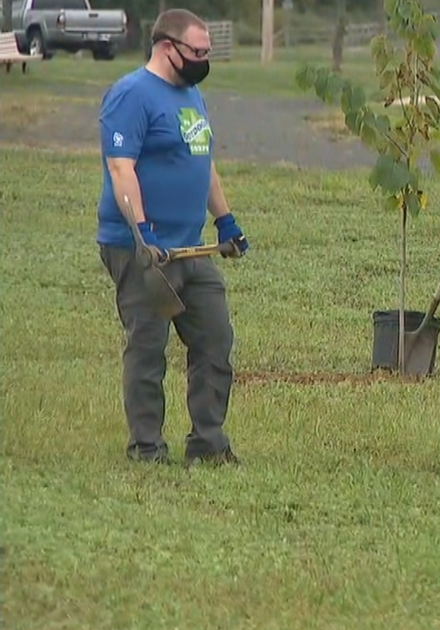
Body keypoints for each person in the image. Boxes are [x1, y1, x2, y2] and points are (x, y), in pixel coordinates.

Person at [96, 8, 249, 466]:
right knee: (148, 346)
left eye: (207, 52)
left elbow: (202, 163)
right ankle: (147, 447)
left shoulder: (191, 93)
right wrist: (141, 233)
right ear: (168, 48)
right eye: (198, 52)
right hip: (143, 250)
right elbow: (121, 168)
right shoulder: (131, 95)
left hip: (190, 247)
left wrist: (225, 219)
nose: (205, 60)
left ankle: (208, 442)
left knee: (215, 338)